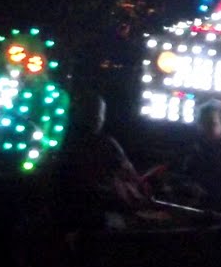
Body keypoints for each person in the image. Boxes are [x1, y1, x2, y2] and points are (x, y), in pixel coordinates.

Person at [53, 88, 164, 230]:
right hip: (97, 215)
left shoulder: (60, 140)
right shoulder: (106, 144)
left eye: (98, 114)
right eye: (95, 114)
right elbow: (130, 177)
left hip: (69, 214)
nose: (98, 118)